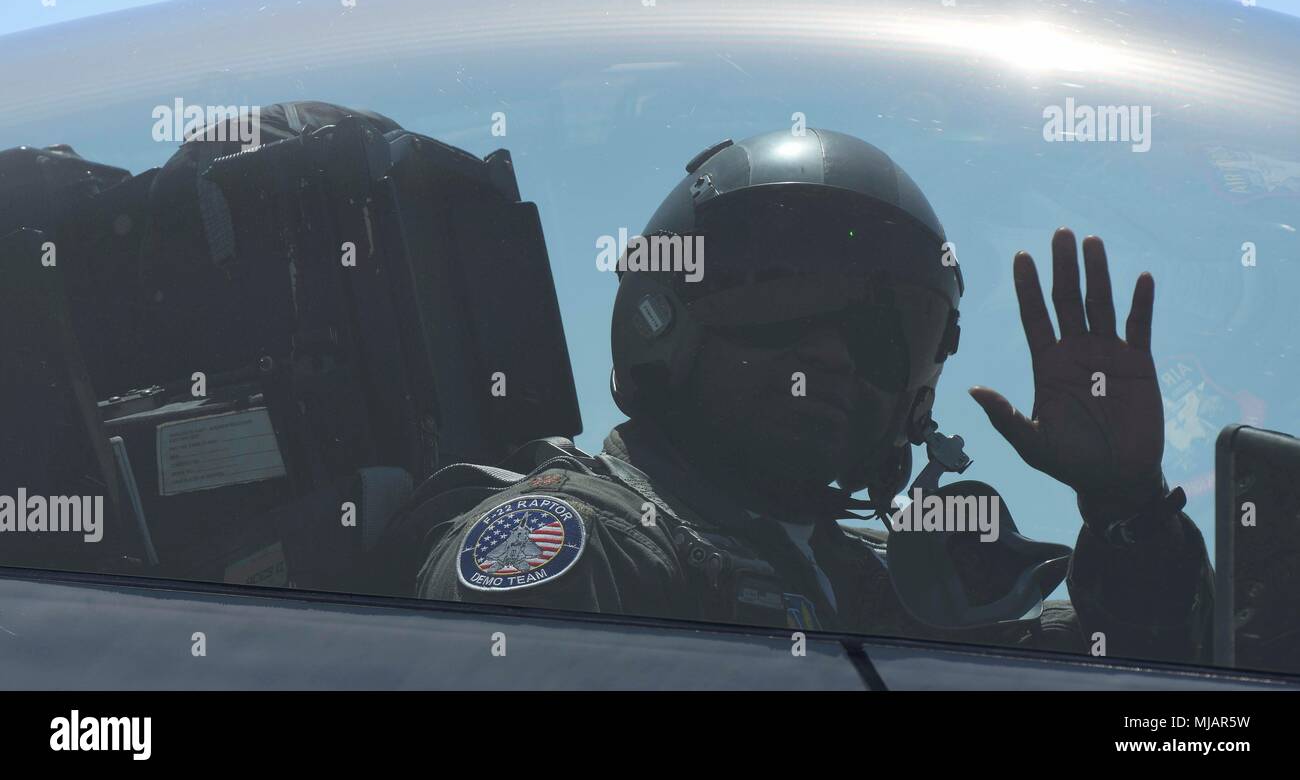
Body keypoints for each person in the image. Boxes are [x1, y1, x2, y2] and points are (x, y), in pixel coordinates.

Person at [414, 128, 1213, 663]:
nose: (829, 356)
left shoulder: (871, 580)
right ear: (663, 320)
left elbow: (1149, 707)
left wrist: (1127, 508)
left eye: (879, 333)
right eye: (779, 303)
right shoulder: (581, 551)